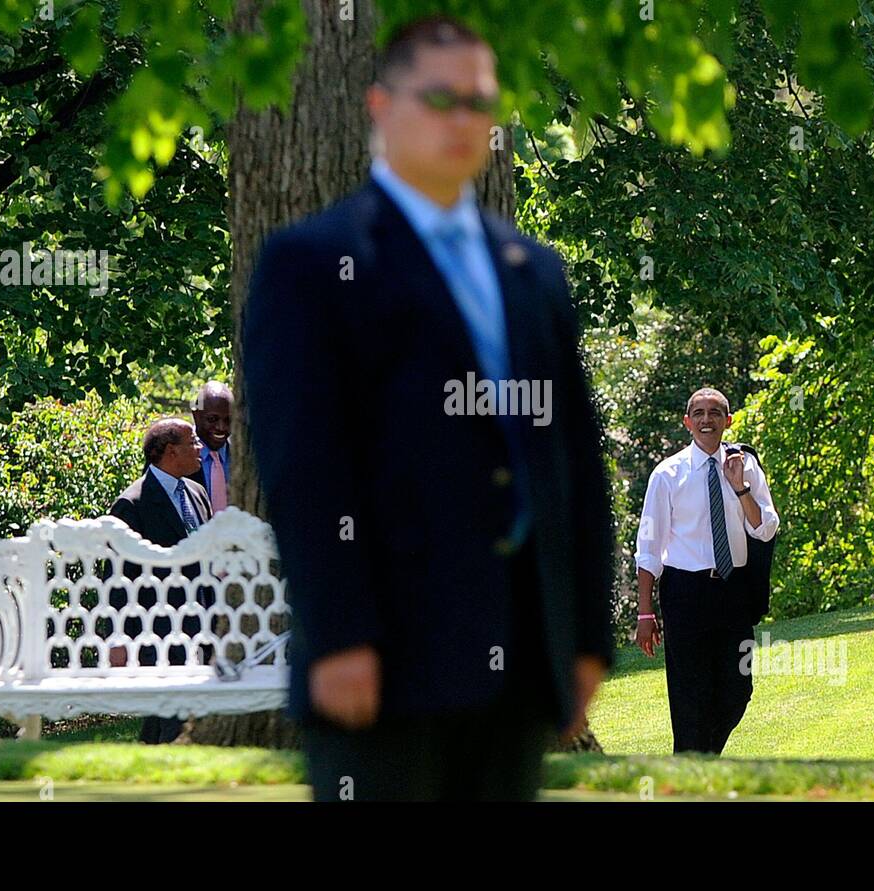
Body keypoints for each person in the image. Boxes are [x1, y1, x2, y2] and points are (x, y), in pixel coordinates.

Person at [243, 15, 614, 800]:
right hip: (380, 662)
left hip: (515, 656)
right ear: (381, 105)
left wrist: (584, 640)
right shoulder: (311, 264)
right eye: (439, 97)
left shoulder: (533, 271)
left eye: (479, 102)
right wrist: (341, 633)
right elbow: (305, 467)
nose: (461, 119)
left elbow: (573, 462)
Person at [633, 387, 780, 754]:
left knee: (737, 690)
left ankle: (702, 758)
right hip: (686, 592)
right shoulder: (667, 475)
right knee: (689, 696)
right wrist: (645, 612)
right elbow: (649, 549)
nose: (706, 419)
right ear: (687, 423)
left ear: (728, 421)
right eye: (698, 413)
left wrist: (740, 488)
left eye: (715, 413)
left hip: (734, 591)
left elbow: (764, 528)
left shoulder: (745, 467)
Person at [107, 417, 214, 744]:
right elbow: (117, 578)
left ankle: (150, 754)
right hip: (157, 627)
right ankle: (170, 765)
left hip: (201, 622)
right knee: (172, 707)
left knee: (169, 710)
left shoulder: (196, 492)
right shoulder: (132, 503)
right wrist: (117, 637)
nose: (200, 448)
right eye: (193, 442)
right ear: (170, 451)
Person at [188, 381, 232, 514]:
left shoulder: (245, 459)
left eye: (228, 420)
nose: (221, 427)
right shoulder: (172, 455)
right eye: (212, 419)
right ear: (196, 416)